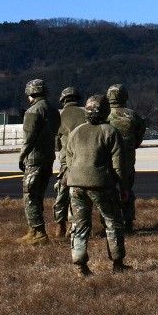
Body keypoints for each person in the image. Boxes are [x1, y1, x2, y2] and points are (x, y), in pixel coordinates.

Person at [62, 93, 128, 276]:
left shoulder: (76, 132)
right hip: (101, 185)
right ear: (106, 111)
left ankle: (80, 266)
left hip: (76, 184)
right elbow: (118, 165)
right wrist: (123, 187)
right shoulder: (110, 132)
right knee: (112, 222)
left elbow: (68, 159)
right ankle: (117, 262)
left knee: (79, 225)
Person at [17, 78, 60, 244]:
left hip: (34, 159)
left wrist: (22, 156)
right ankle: (34, 231)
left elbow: (29, 138)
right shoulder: (54, 111)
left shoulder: (33, 111)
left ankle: (38, 232)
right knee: (38, 194)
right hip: (48, 158)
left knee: (30, 196)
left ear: (31, 93)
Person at [105, 83, 147, 231]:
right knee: (127, 189)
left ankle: (109, 223)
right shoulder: (132, 115)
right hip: (127, 160)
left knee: (107, 192)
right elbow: (139, 136)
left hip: (106, 160)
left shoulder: (105, 115)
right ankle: (128, 222)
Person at [52, 86, 89, 237]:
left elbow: (56, 144)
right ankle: (73, 225)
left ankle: (59, 225)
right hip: (85, 161)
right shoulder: (86, 114)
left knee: (62, 194)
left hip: (67, 163)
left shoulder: (59, 117)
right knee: (79, 195)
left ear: (63, 100)